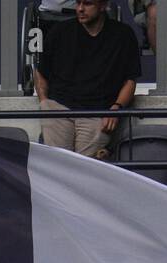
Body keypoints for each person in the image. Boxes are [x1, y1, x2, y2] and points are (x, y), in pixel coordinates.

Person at [35, 0, 140, 159]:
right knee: (58, 165)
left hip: (98, 112)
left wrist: (116, 108)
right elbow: (40, 71)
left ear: (103, 6)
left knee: (84, 170)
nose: (80, 9)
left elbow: (130, 80)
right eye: (78, 3)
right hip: (59, 107)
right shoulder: (60, 31)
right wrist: (44, 103)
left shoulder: (123, 35)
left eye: (88, 4)